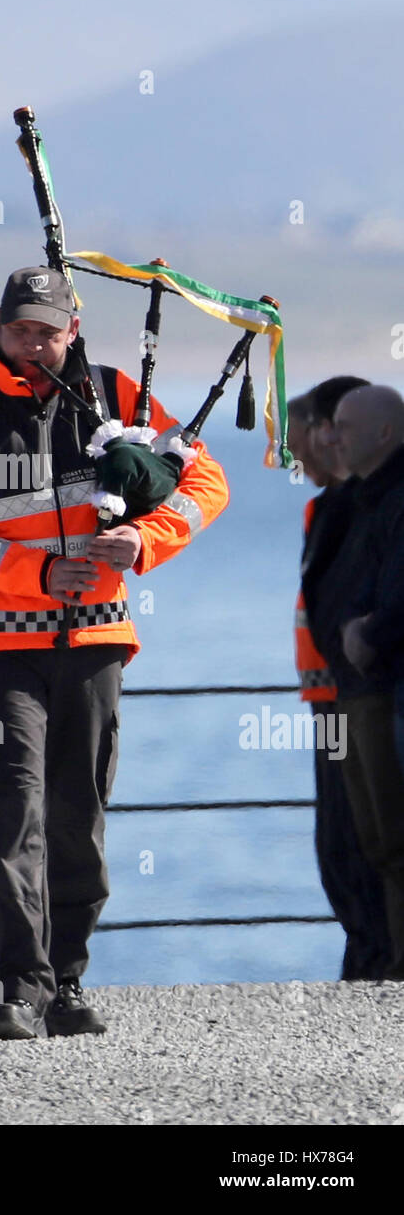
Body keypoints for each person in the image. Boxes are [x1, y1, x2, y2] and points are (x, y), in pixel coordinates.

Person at [0, 266, 229, 1040]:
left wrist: (144, 542)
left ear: (72, 328)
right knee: (13, 806)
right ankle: (19, 987)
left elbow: (206, 480)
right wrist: (37, 572)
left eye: (45, 332)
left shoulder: (122, 399)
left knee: (77, 816)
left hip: (94, 641)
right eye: (19, 330)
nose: (31, 345)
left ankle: (67, 982)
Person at [287, 382, 390, 979]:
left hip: (348, 699)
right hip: (327, 702)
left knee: (359, 836)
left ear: (328, 429)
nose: (291, 452)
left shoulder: (361, 506)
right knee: (338, 838)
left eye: (296, 433)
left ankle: (377, 962)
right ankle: (366, 957)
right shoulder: (323, 507)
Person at [311, 384, 404, 978]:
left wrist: (370, 634)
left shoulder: (392, 499)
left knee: (392, 838)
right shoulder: (357, 499)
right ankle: (385, 960)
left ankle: (391, 963)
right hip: (345, 690)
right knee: (371, 841)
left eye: (342, 425)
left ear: (384, 434)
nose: (331, 436)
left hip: (378, 688)